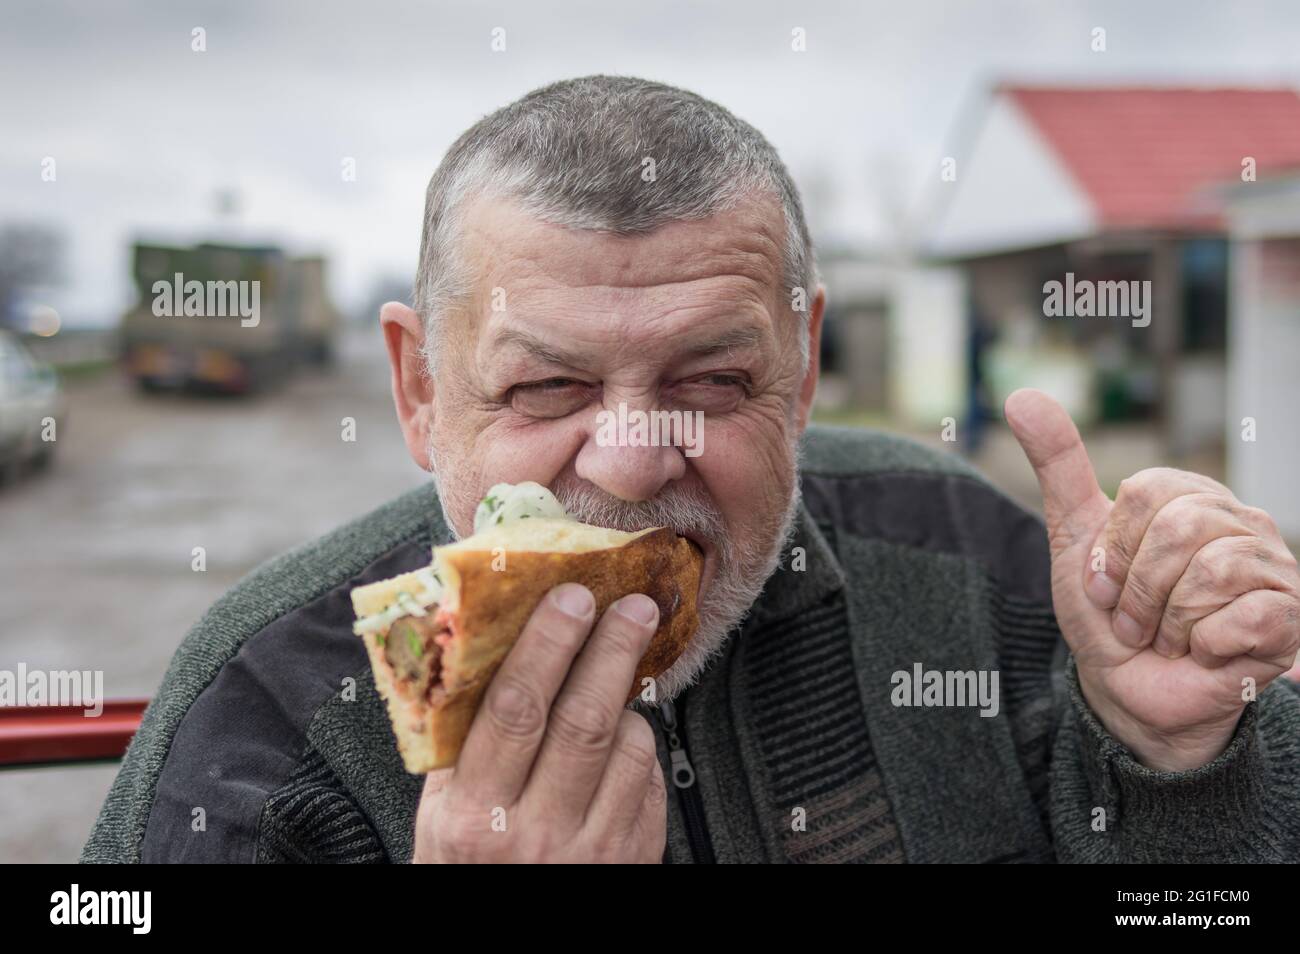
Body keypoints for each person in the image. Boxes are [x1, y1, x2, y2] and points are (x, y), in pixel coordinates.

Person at [84, 75, 1300, 864]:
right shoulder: (265, 724)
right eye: (547, 388)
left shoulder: (971, 564)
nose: (628, 463)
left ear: (806, 361)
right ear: (418, 389)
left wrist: (1183, 764)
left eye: (712, 384)